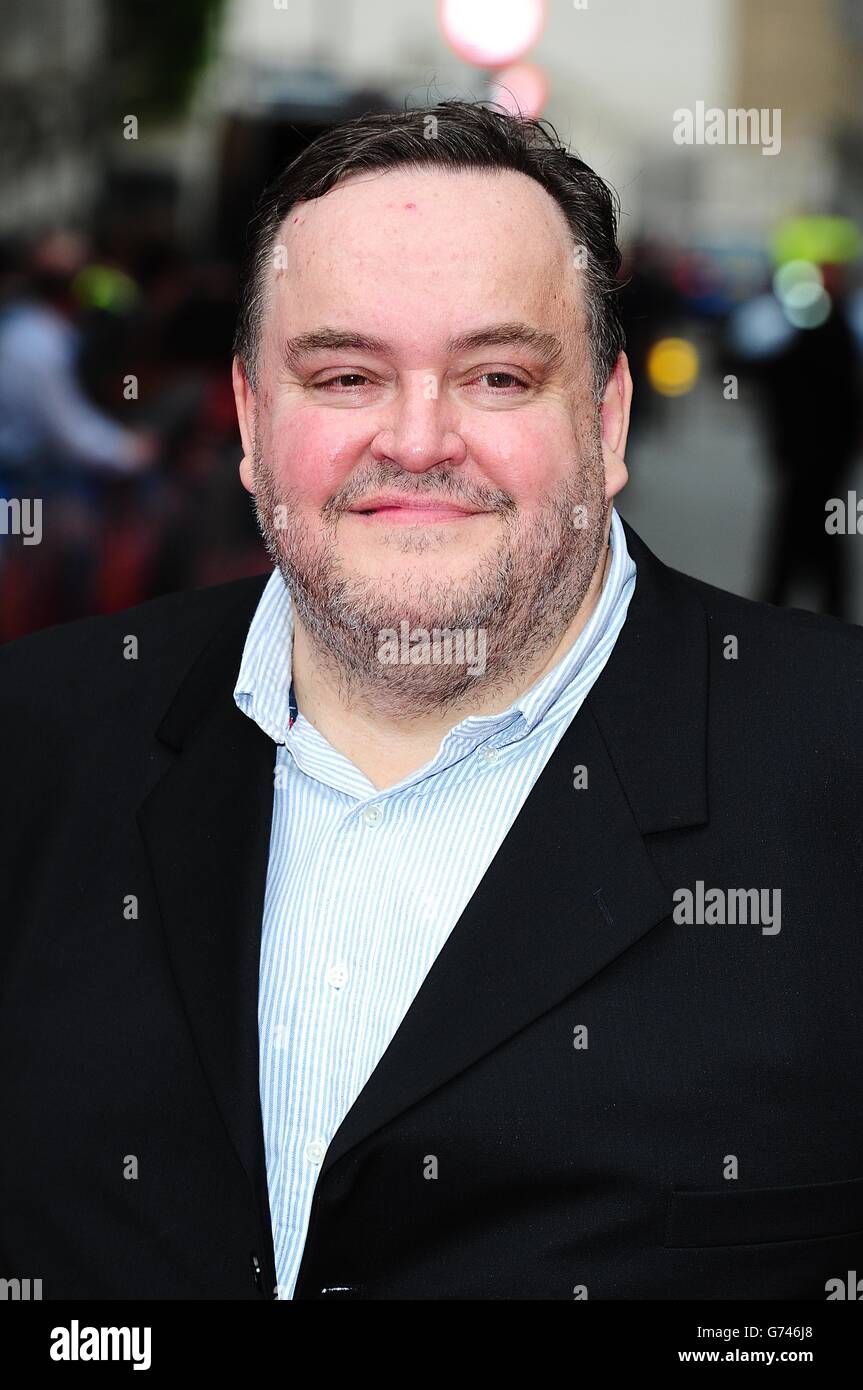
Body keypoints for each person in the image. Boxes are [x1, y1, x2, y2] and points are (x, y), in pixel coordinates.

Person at [1, 101, 862, 1301]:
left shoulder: (836, 765)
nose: (417, 440)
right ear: (251, 422)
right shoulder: (33, 740)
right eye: (345, 373)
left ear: (606, 422)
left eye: (497, 375)